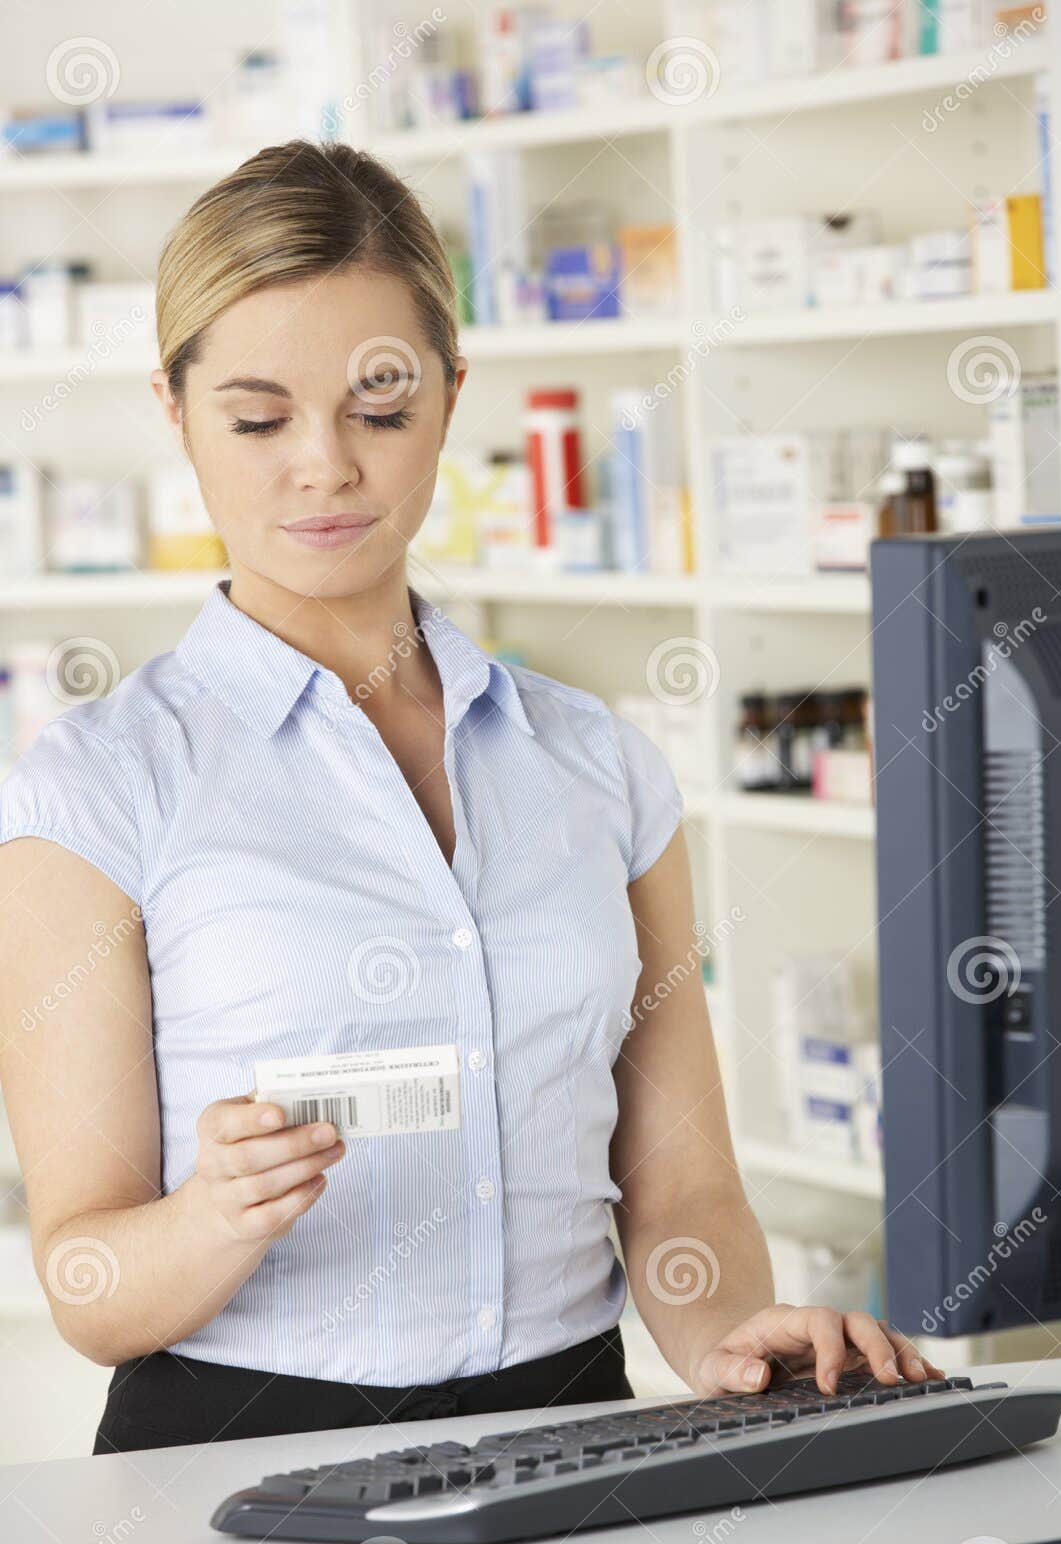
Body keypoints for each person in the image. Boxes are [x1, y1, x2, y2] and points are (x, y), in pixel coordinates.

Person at [0, 140, 941, 1456]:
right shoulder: (97, 786)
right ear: (175, 409)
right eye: (259, 417)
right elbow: (89, 1285)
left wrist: (733, 1336)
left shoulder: (596, 763)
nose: (323, 464)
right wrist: (214, 1209)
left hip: (571, 1438)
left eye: (377, 408)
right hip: (233, 1463)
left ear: (448, 395)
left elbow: (682, 1191)